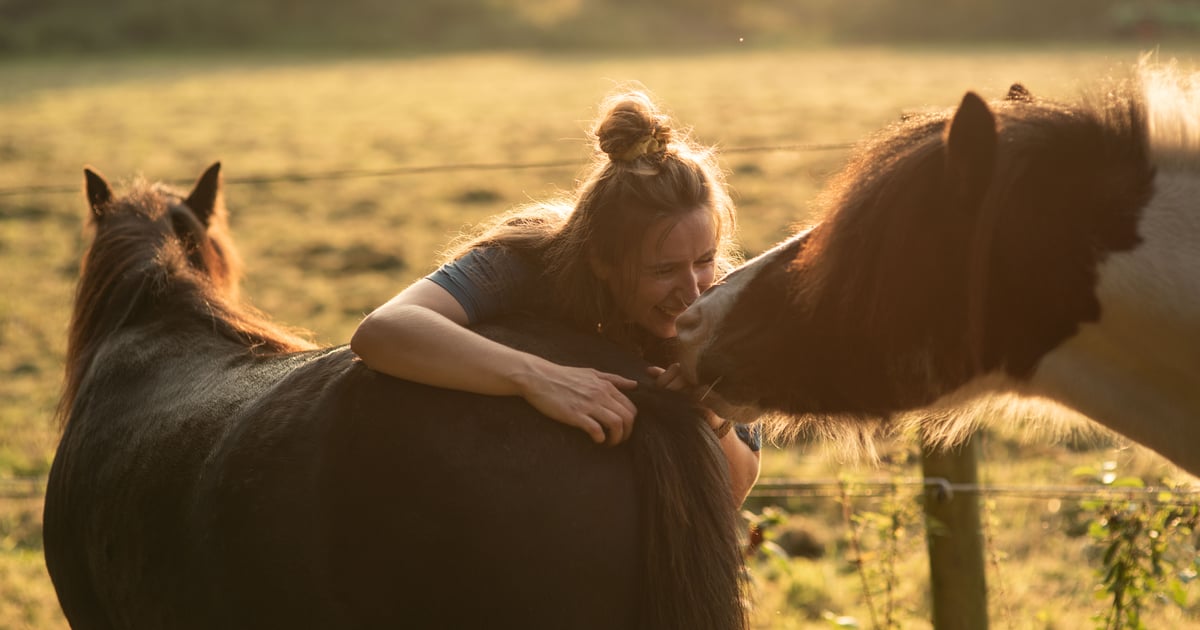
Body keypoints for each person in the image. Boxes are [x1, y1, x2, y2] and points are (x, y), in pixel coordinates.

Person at [350, 89, 760, 506]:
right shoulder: (524, 260)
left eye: (705, 260)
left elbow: (736, 492)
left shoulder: (721, 307)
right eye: (663, 270)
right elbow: (382, 331)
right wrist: (537, 377)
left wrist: (710, 416)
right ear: (601, 258)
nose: (693, 292)